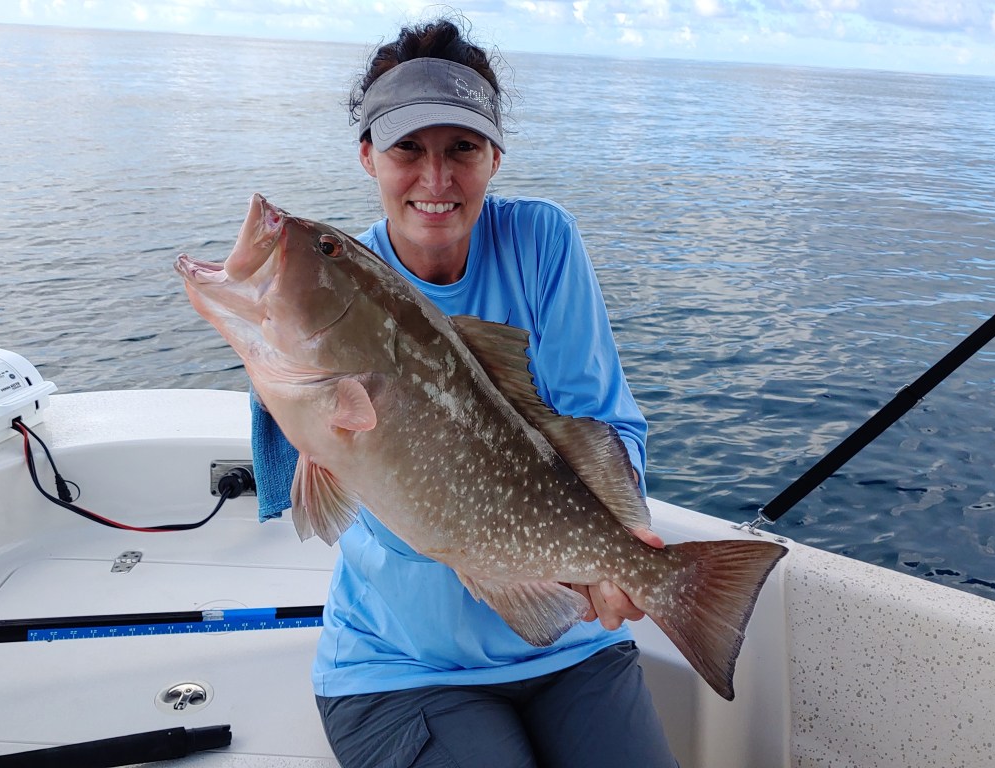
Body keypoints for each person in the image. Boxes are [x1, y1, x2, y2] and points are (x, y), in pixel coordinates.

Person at [252, 15, 679, 768]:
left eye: (462, 150)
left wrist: (623, 547)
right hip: (400, 668)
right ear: (367, 156)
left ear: (495, 156)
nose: (436, 179)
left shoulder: (544, 242)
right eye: (407, 149)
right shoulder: (329, 300)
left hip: (570, 645)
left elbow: (602, 422)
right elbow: (344, 500)